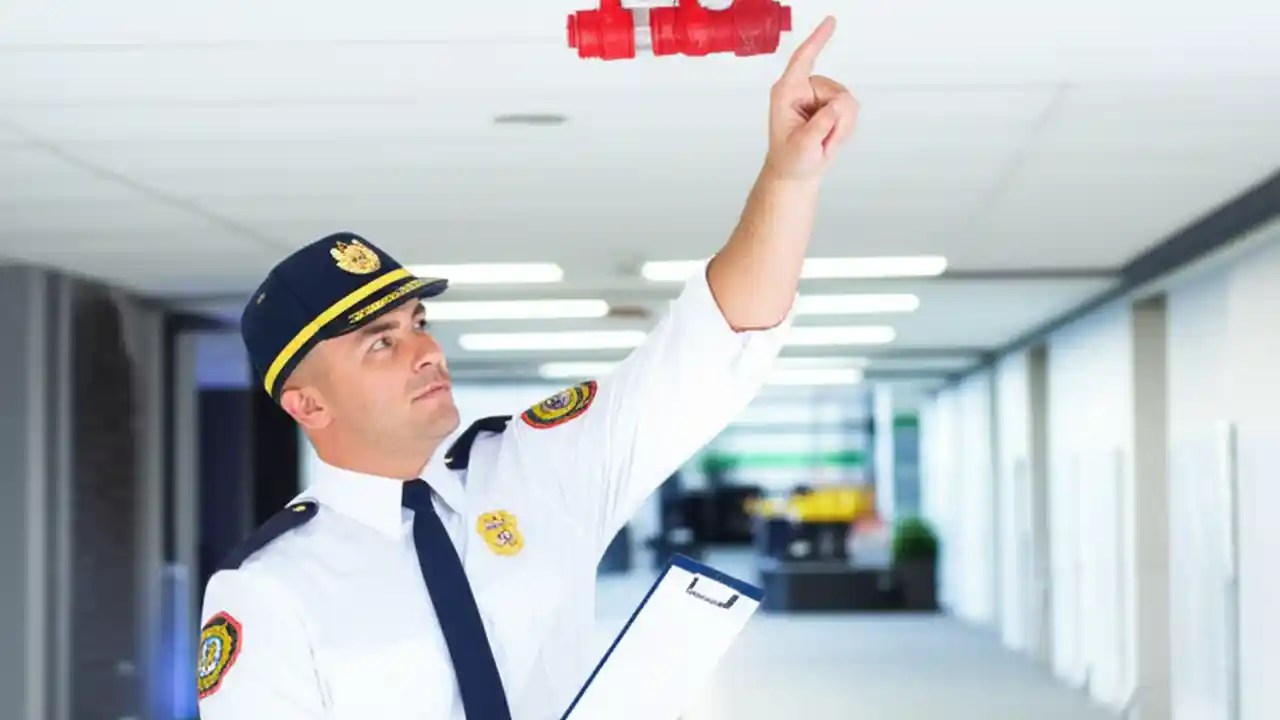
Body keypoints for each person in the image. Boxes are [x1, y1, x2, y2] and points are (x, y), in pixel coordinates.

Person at [196, 15, 858, 719]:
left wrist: (788, 180)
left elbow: (711, 349)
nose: (425, 351)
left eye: (418, 324)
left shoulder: (536, 471)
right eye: (379, 344)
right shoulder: (269, 589)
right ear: (307, 405)